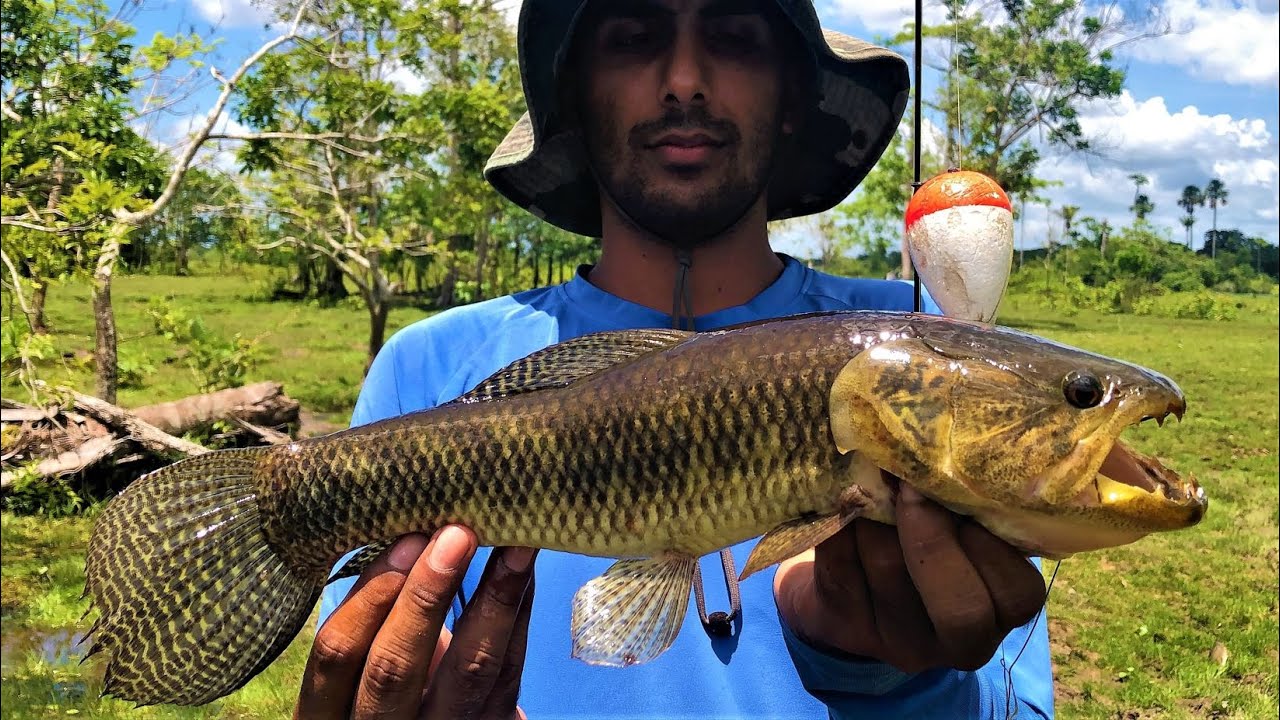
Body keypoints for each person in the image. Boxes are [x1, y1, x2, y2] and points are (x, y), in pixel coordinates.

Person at [298, 0, 1055, 717]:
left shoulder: (924, 347)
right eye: (632, 37)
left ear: (792, 96)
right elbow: (375, 666)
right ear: (577, 99)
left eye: (732, 37)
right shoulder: (426, 370)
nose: (685, 80)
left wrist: (886, 672)